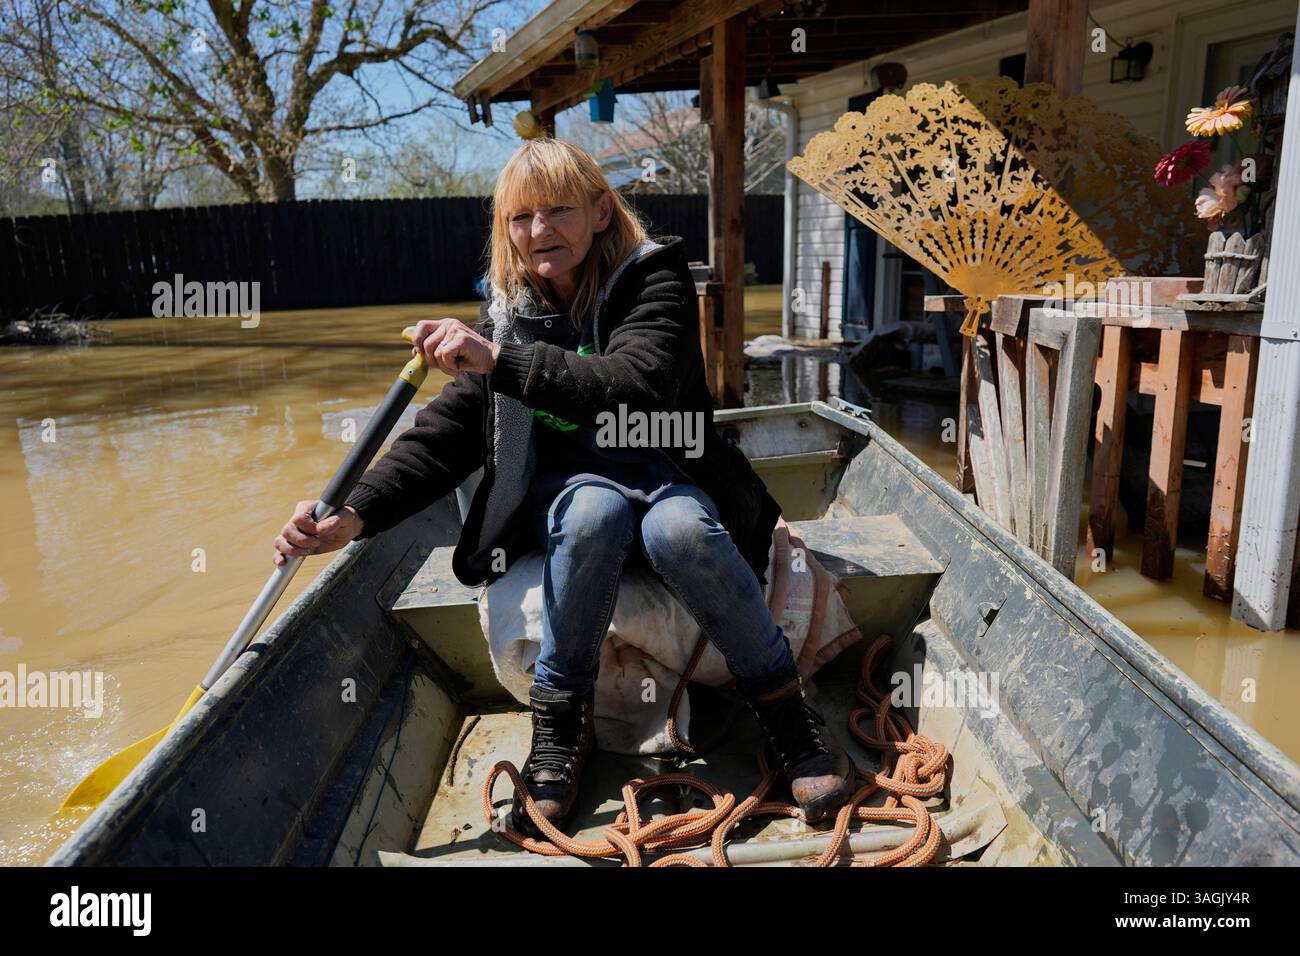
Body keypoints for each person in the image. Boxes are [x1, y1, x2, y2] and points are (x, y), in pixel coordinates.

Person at [272, 138, 853, 835]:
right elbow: (447, 433)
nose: (539, 230)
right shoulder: (509, 314)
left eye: (558, 210)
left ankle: (787, 713)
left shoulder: (655, 279)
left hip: (668, 473)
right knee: (591, 512)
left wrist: (499, 360)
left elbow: (636, 383)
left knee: (683, 531)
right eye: (521, 218)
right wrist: (355, 514)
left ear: (602, 211)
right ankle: (560, 725)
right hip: (575, 495)